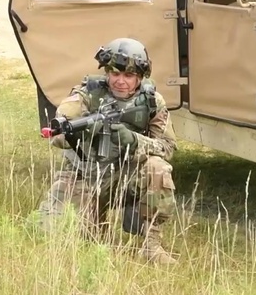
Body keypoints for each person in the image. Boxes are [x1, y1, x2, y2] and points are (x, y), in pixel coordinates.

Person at [36, 37, 177, 264]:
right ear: (106, 72)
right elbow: (58, 134)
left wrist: (133, 140)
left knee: (158, 168)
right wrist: (82, 132)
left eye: (128, 75)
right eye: (114, 73)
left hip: (126, 179)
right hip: (85, 176)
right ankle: (95, 223)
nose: (120, 81)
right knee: (51, 235)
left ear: (140, 77)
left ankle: (152, 245)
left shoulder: (152, 101)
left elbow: (168, 148)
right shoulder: (86, 94)